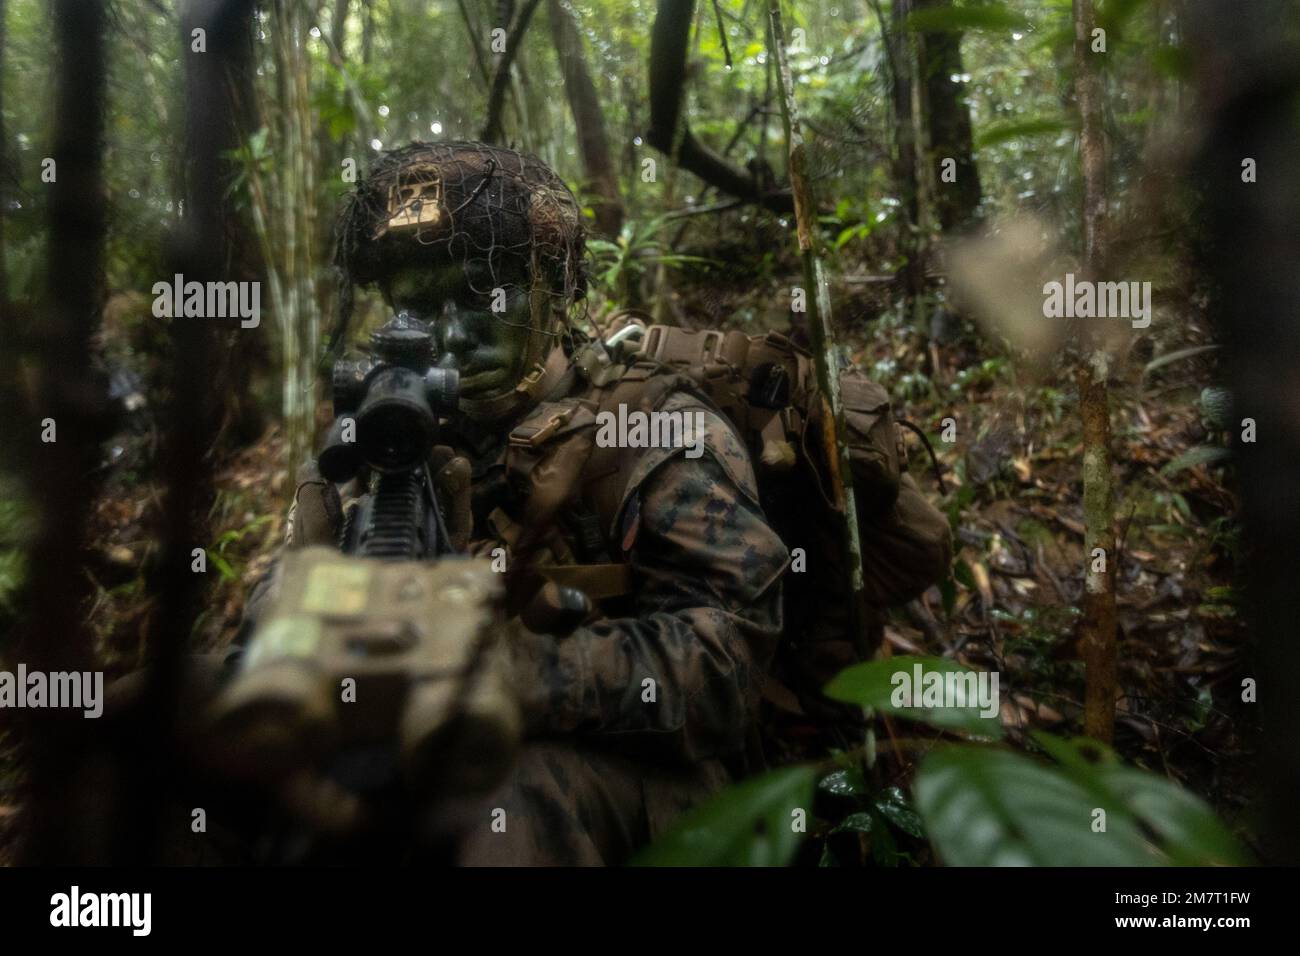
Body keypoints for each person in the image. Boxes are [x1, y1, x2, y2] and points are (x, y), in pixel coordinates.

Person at [264, 141, 791, 865]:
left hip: (632, 775)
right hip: (418, 751)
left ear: (550, 282)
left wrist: (529, 673)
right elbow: (269, 623)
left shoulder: (646, 425)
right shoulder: (383, 431)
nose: (448, 331)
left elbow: (729, 666)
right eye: (418, 305)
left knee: (496, 816)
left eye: (481, 292)